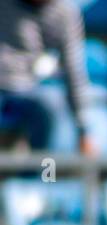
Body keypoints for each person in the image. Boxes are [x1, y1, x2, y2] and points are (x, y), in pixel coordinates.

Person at [0, 0, 93, 154]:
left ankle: (41, 176)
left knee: (50, 106)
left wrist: (84, 130)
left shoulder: (65, 13)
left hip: (27, 89)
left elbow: (74, 71)